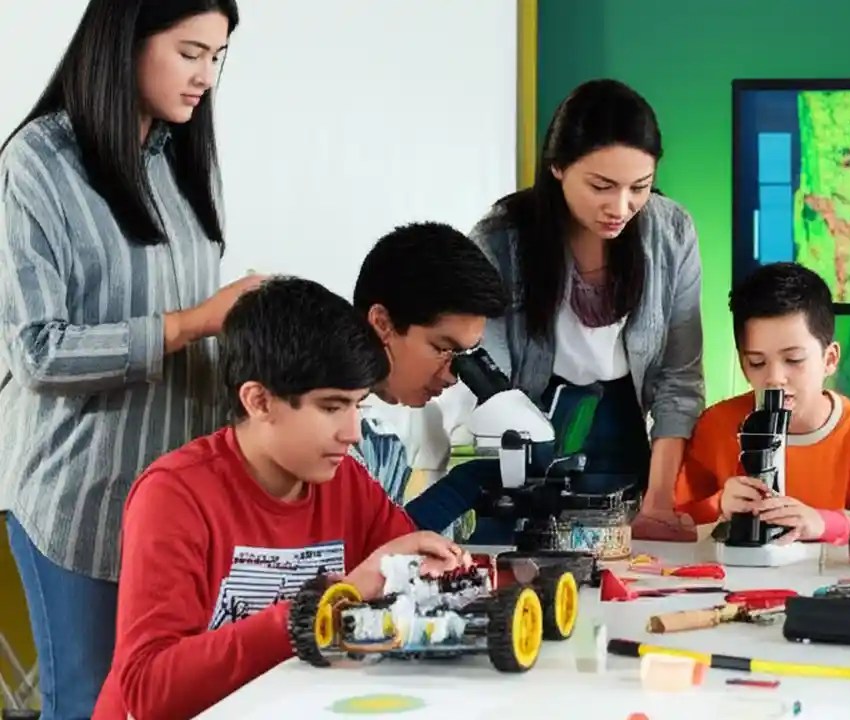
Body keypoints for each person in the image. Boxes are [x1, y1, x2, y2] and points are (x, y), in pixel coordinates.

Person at [0, 1, 263, 716]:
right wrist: (192, 323)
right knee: (91, 705)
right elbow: (37, 352)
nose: (206, 75)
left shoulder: (183, 165)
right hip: (79, 504)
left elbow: (203, 333)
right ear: (124, 42)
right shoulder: (37, 164)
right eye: (190, 52)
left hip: (178, 508)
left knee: (178, 702)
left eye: (218, 57)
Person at [93, 278, 470, 720]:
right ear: (258, 401)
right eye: (331, 407)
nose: (351, 433)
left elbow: (407, 588)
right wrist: (331, 601)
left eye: (358, 406)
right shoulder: (173, 495)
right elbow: (149, 690)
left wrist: (438, 572)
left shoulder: (344, 479)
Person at [405, 78, 705, 543]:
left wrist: (659, 502)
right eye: (602, 186)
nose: (620, 207)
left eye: (639, 188)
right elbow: (487, 382)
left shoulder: (671, 233)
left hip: (622, 428)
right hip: (525, 431)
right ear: (558, 167)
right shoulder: (500, 242)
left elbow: (678, 380)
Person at [671, 262, 850, 544]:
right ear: (742, 364)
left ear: (830, 359)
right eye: (757, 362)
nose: (774, 378)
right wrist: (719, 506)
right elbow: (677, 522)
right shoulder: (716, 425)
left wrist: (822, 522)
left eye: (794, 360)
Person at [348, 221, 508, 510]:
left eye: (464, 354)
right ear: (382, 323)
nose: (451, 377)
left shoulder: (402, 420)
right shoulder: (330, 429)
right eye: (442, 348)